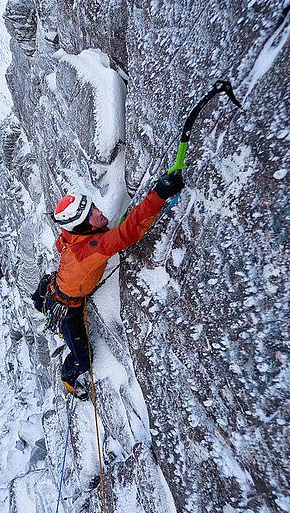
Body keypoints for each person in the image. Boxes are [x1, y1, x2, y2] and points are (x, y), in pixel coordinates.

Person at [37, 168, 185, 399]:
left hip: (56, 286)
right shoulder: (91, 248)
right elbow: (128, 233)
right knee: (83, 360)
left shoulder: (72, 235)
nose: (99, 212)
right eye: (92, 214)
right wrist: (159, 194)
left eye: (94, 207)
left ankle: (44, 306)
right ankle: (67, 377)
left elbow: (63, 243)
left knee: (47, 298)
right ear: (82, 225)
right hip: (67, 308)